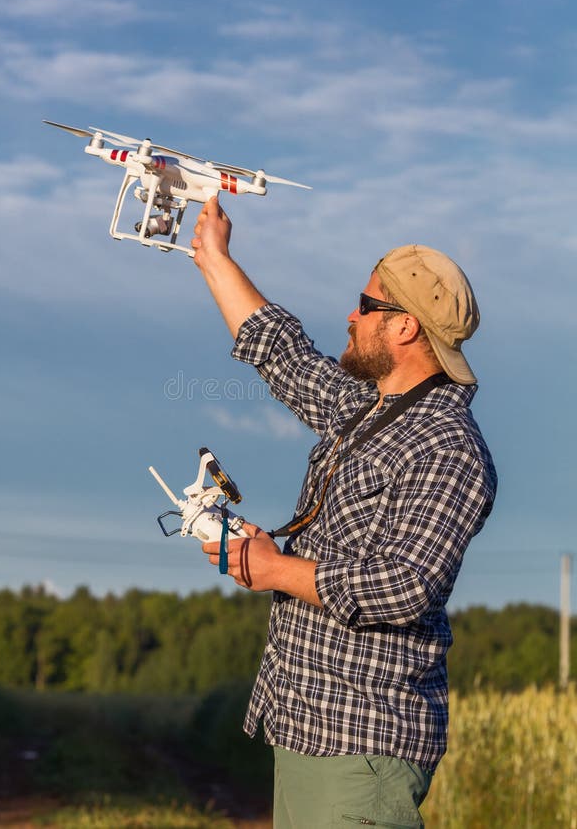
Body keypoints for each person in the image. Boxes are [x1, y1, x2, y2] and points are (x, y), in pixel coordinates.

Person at [192, 196, 497, 829]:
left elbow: (404, 586)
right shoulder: (369, 408)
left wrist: (274, 570)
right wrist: (215, 257)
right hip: (309, 726)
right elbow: (284, 355)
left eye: (367, 306)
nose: (351, 317)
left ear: (405, 327)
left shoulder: (447, 446)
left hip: (362, 745)